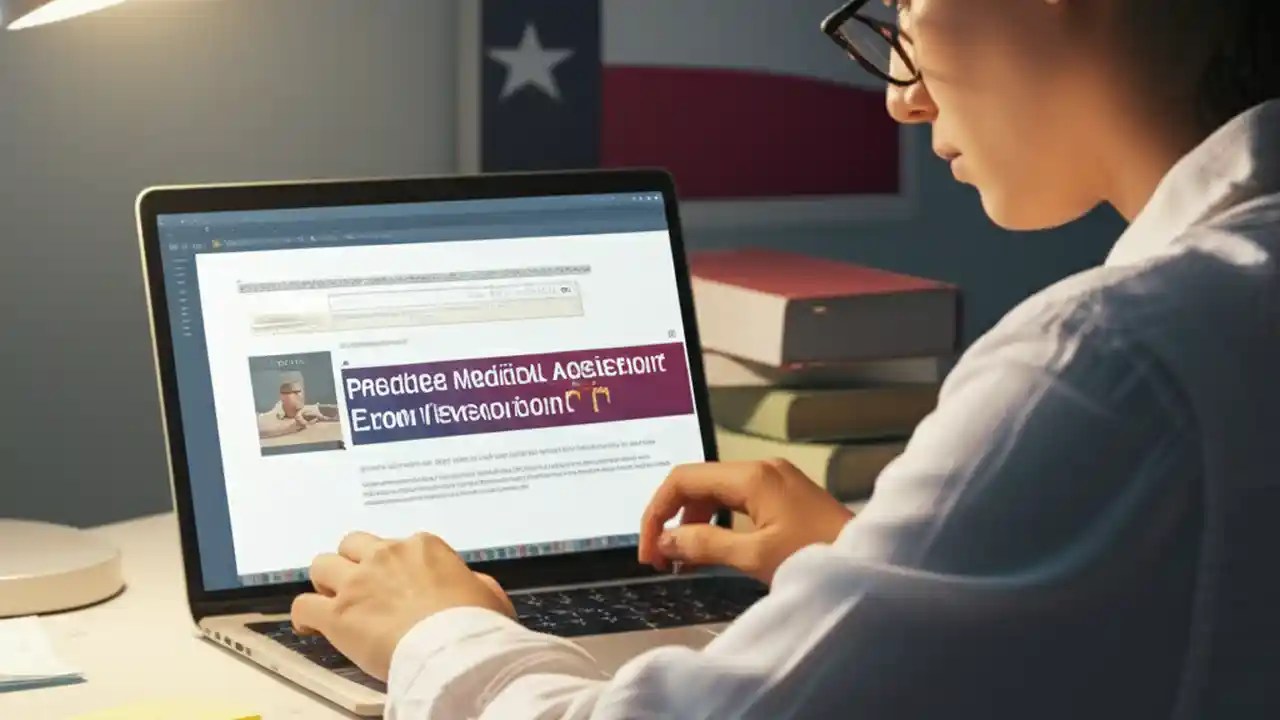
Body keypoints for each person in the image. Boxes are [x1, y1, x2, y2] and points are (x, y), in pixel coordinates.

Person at [289, 0, 1280, 716]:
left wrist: (434, 629)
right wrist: (869, 572)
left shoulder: (1105, 360)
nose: (901, 99)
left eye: (900, 11)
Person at [256, 379, 337, 439]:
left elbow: (337, 411)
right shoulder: (270, 415)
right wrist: (294, 426)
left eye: (301, 392)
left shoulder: (309, 411)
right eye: (295, 392)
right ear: (282, 396)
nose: (300, 396)